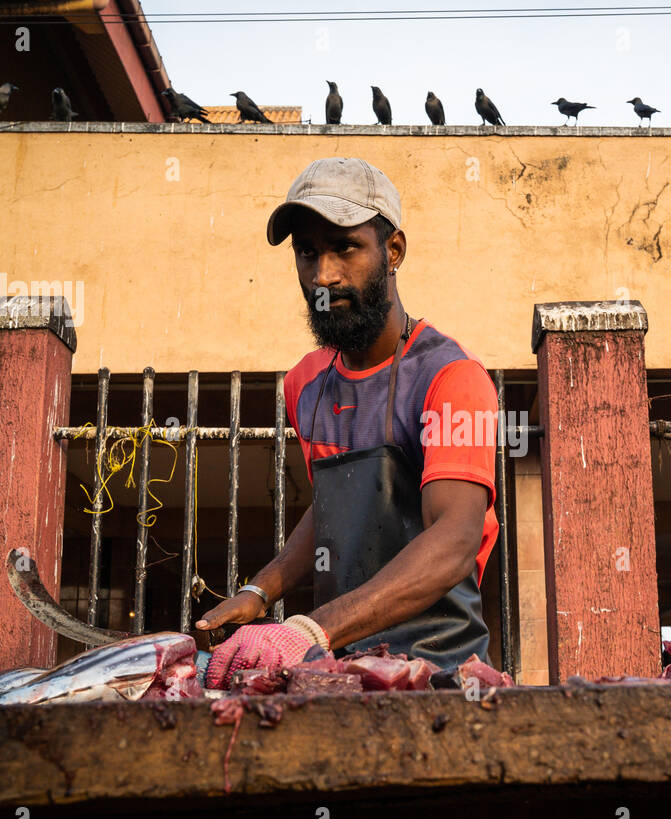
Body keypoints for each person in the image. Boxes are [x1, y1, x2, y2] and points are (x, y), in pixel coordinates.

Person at [195, 157, 500, 689]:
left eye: (345, 248)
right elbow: (340, 510)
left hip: (434, 676)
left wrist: (310, 628)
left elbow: (454, 538)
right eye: (307, 252)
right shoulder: (305, 386)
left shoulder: (451, 377)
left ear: (394, 251)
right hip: (335, 668)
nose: (323, 275)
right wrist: (260, 592)